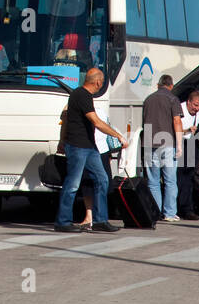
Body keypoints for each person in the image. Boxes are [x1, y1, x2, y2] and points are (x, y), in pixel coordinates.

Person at [55, 68, 126, 233]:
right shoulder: (81, 95)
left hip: (90, 147)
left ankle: (100, 220)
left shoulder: (83, 95)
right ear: (98, 82)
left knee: (102, 180)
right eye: (101, 83)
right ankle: (63, 222)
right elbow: (96, 122)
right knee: (72, 184)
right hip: (78, 146)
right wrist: (118, 136)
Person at [142, 74, 182, 222]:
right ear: (171, 86)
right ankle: (170, 213)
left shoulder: (148, 99)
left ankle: (155, 212)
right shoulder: (173, 99)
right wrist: (179, 145)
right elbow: (177, 121)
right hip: (167, 144)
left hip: (149, 143)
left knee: (153, 181)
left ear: (158, 85)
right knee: (170, 180)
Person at [174, 88, 199, 220]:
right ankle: (176, 208)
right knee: (178, 177)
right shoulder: (179, 109)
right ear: (188, 102)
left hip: (191, 143)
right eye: (195, 105)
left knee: (189, 177)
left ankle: (188, 209)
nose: (197, 108)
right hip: (179, 143)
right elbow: (174, 129)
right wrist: (187, 130)